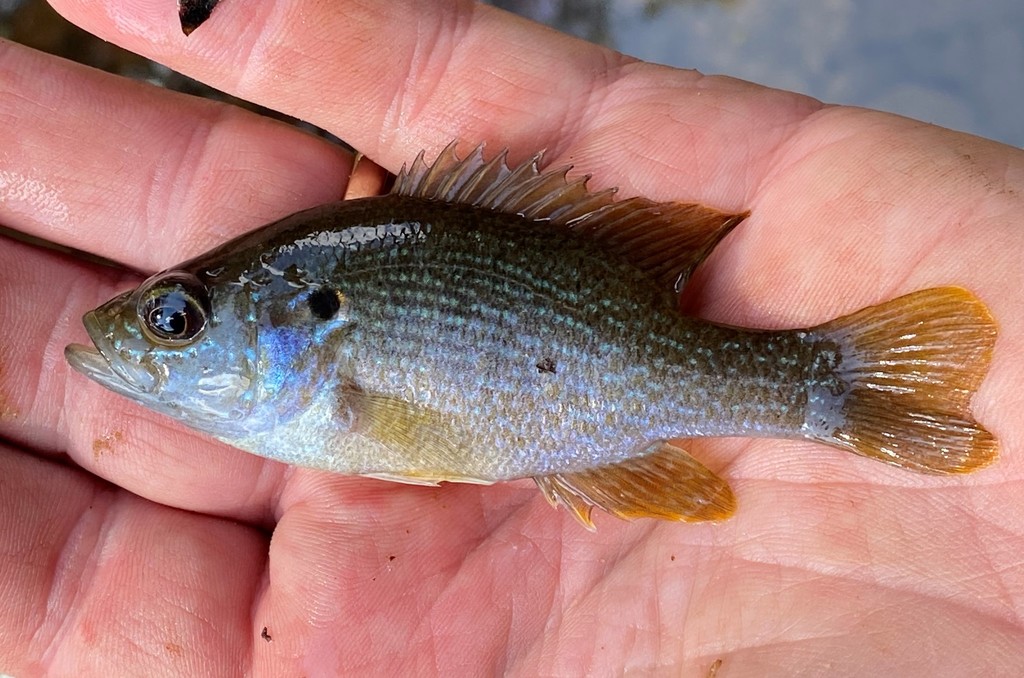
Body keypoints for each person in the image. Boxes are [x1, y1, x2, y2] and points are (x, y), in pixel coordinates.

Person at [1, 1, 1021, 674]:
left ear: (291, 320)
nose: (147, 337)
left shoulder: (313, 334)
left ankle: (823, 385)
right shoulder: (306, 340)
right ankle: (826, 391)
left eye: (177, 319)